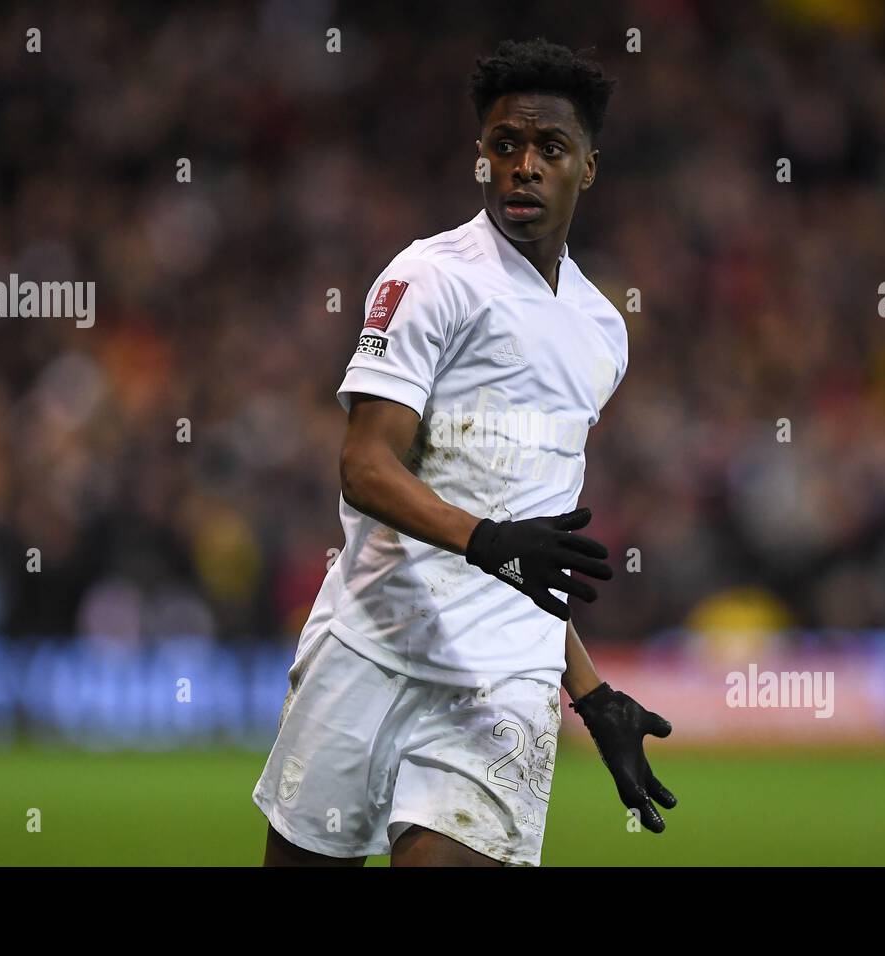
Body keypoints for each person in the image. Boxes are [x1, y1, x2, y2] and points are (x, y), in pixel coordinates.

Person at [253, 37, 676, 867]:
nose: (523, 166)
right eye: (504, 145)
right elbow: (365, 466)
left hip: (501, 685)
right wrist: (485, 539)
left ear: (588, 168)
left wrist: (590, 696)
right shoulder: (429, 280)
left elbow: (532, 556)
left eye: (549, 148)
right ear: (482, 158)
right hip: (372, 643)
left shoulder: (601, 333)